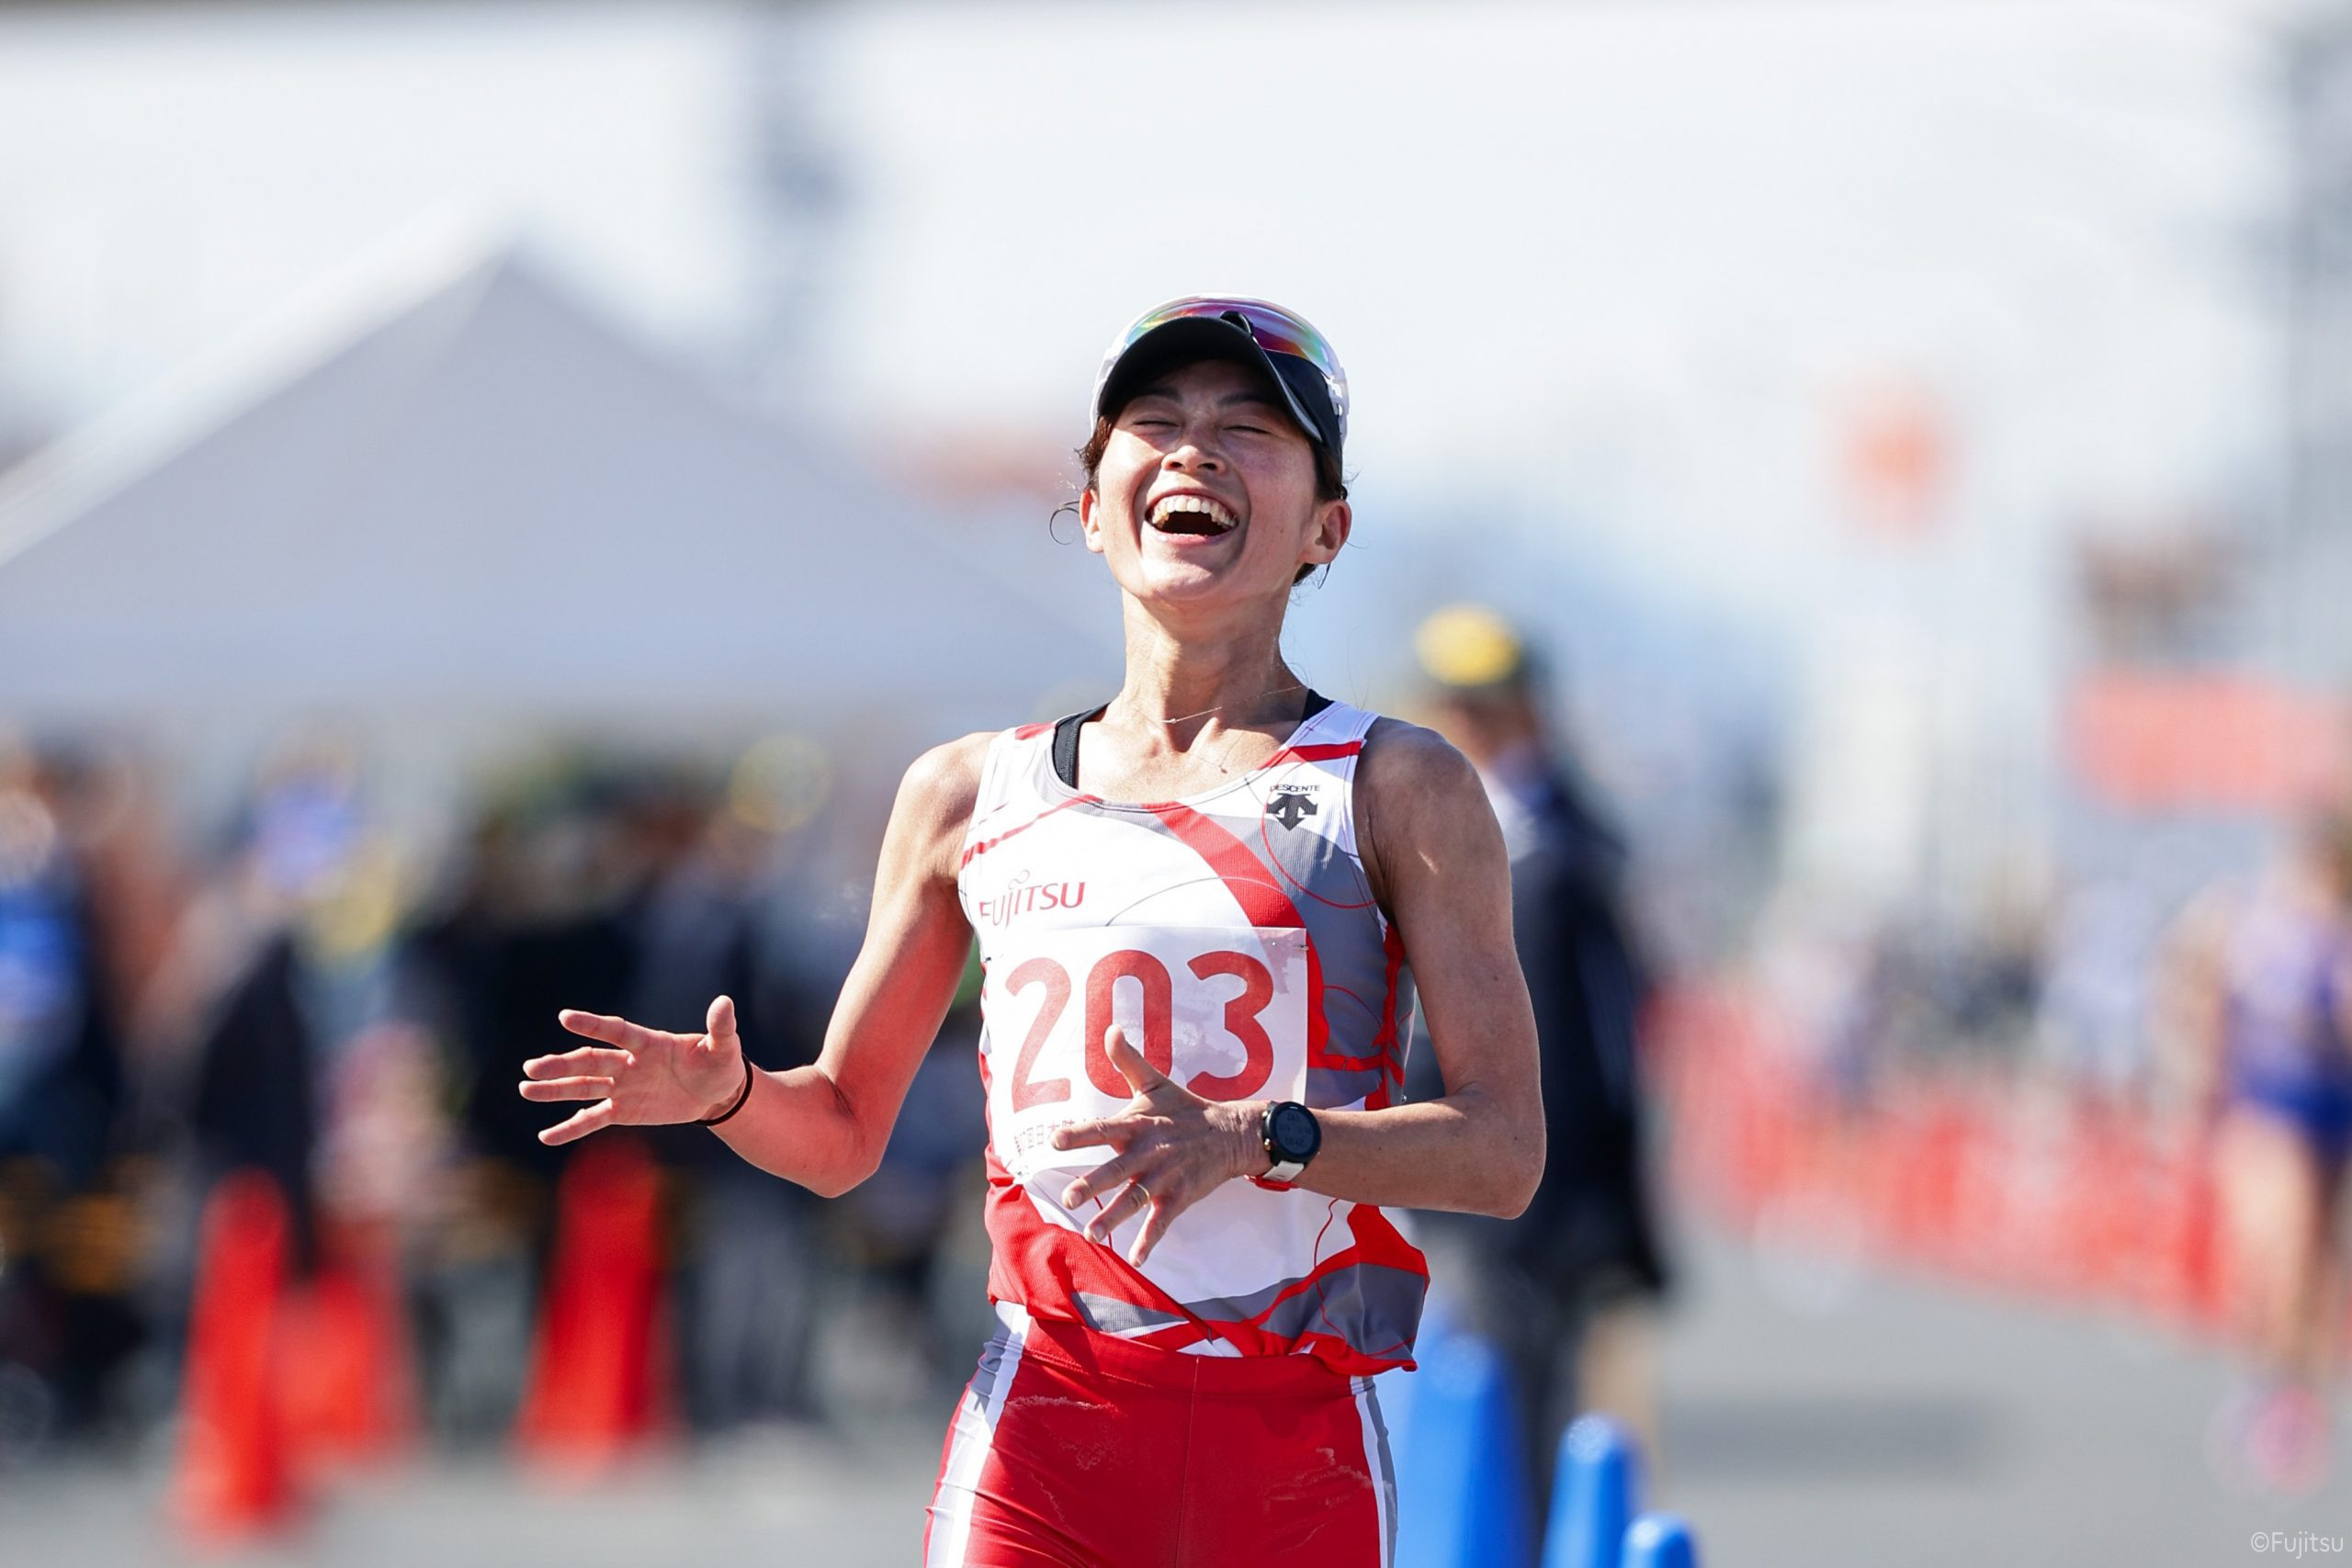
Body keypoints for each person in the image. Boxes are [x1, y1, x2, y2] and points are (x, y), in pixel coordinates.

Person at [519, 296, 1544, 1565]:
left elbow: (1502, 1152)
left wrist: (1261, 1136)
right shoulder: (969, 792)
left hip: (1296, 1443)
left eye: (1250, 428)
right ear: (1094, 503)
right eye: (1154, 422)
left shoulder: (1394, 783)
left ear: (1326, 528)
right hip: (1046, 1437)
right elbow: (840, 1131)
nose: (1194, 450)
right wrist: (729, 1092)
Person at [1408, 605, 1671, 1521]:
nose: (1468, 723)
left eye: (1485, 705)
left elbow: (1603, 1049)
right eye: (1454, 703)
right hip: (1442, 1174)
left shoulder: (1563, 851)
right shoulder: (1445, 819)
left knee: (1523, 1413)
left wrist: (1601, 1210)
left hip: (1535, 1193)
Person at [2166, 810, 2352, 1493]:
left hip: (2333, 1107)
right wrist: (2199, 1076)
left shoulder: (2340, 932)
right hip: (2265, 1104)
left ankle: (2297, 1398)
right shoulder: (2247, 920)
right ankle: (2261, 1382)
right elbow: (2193, 988)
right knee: (2276, 1245)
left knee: (2319, 1260)